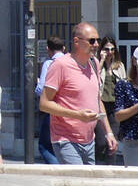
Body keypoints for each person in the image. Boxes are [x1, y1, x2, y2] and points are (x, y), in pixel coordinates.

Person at [41, 22, 116, 165]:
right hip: (66, 140)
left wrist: (108, 132)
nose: (96, 44)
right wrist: (77, 115)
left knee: (86, 185)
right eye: (91, 41)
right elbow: (44, 104)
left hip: (89, 140)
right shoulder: (60, 65)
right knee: (78, 181)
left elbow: (97, 100)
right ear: (76, 41)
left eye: (97, 41)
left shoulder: (94, 63)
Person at [34, 36, 67, 164]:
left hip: (53, 110)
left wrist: (37, 85)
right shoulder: (71, 62)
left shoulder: (49, 64)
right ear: (63, 48)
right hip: (69, 109)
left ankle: (58, 169)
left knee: (46, 146)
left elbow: (41, 89)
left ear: (48, 49)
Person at [97, 35, 123, 164]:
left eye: (112, 49)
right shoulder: (96, 63)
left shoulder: (119, 66)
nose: (109, 52)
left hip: (114, 105)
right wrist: (101, 61)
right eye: (107, 49)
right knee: (101, 141)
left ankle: (110, 166)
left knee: (113, 141)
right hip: (100, 105)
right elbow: (93, 79)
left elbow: (123, 84)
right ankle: (99, 162)